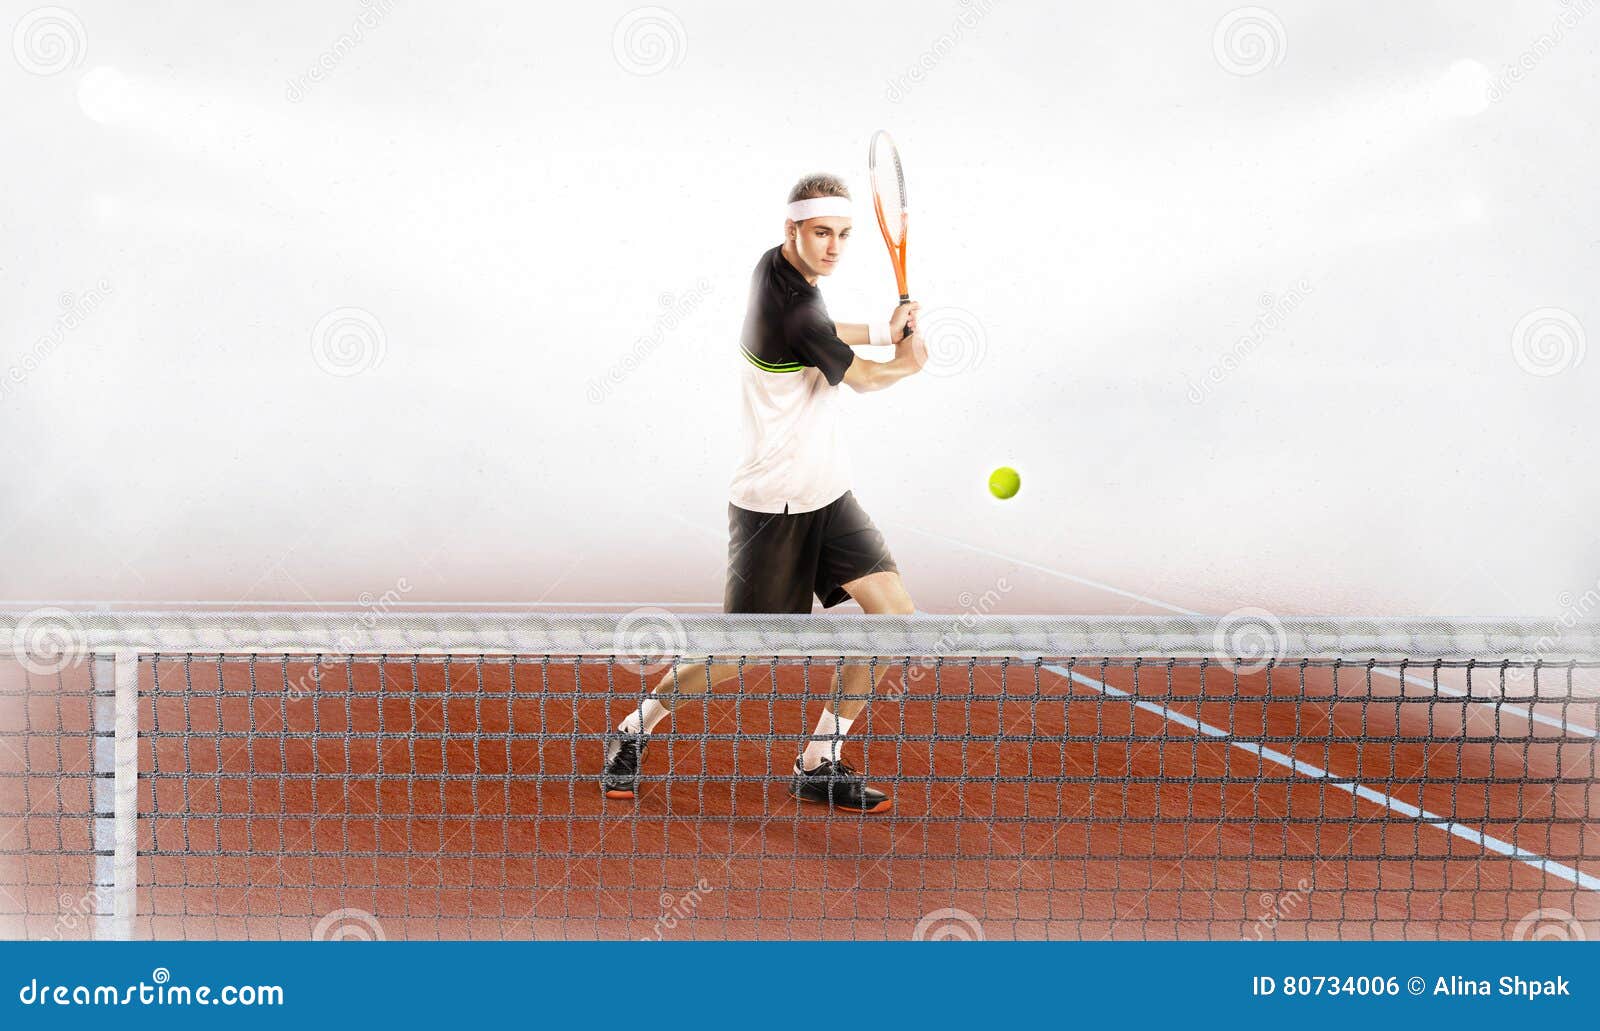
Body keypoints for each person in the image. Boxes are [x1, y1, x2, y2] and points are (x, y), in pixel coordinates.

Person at [602, 171, 927, 813]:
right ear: (792, 230)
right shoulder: (795, 307)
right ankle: (632, 730)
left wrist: (886, 330)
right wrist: (907, 362)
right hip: (771, 508)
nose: (834, 247)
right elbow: (862, 380)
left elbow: (828, 331)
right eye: (821, 234)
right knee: (741, 658)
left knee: (895, 623)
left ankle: (818, 761)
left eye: (843, 235)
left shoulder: (780, 272)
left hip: (829, 497)